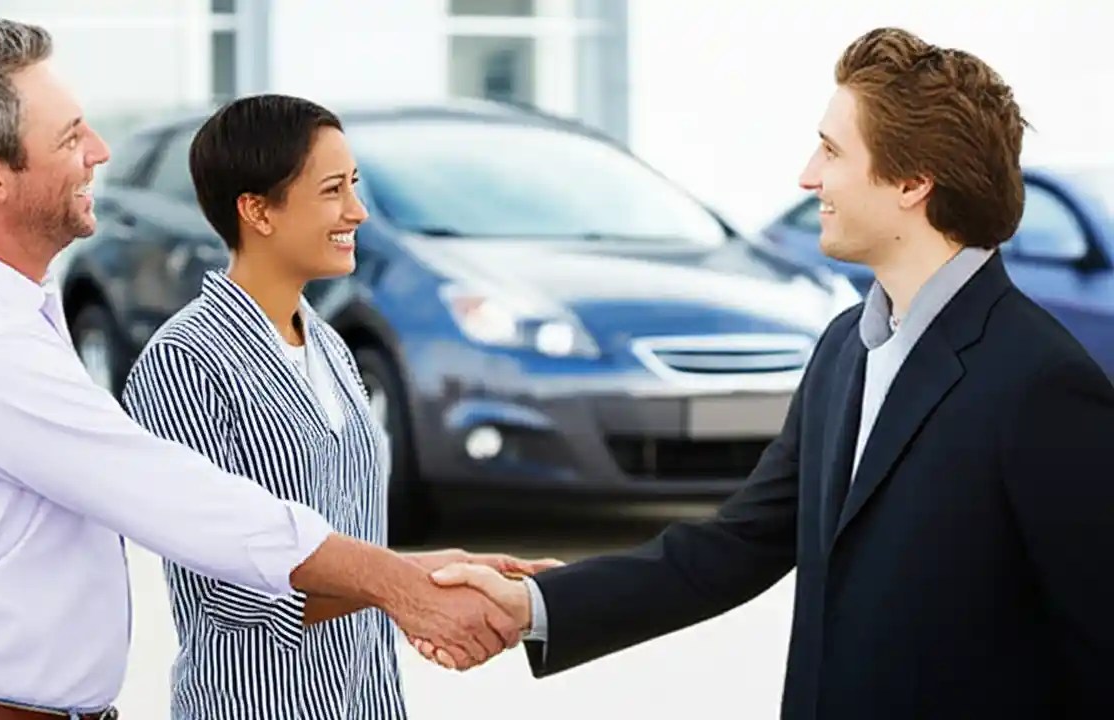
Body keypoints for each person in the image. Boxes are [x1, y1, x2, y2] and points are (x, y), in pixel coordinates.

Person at [420, 27, 1114, 719]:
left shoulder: (1043, 385)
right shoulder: (845, 348)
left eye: (833, 150)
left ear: (913, 182)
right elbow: (738, 544)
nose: (808, 175)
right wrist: (534, 606)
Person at [0, 19, 524, 720]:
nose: (100, 151)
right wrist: (400, 586)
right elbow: (186, 505)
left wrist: (413, 574)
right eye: (69, 138)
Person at [119, 94, 557, 720]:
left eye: (354, 185)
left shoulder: (329, 346)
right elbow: (230, 589)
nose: (358, 211)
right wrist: (400, 586)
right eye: (332, 191)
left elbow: (347, 544)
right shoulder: (184, 363)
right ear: (256, 211)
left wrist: (433, 575)